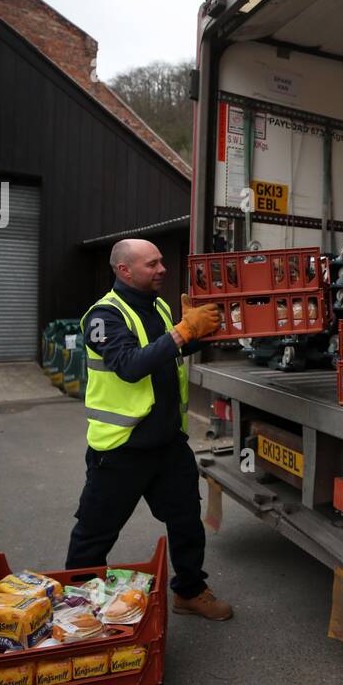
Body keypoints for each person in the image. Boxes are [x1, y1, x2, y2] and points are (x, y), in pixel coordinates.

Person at [65, 238, 232, 620]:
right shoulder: (102, 317)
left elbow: (166, 350)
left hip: (167, 443)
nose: (162, 269)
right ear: (124, 270)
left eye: (161, 262)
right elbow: (129, 364)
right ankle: (76, 609)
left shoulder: (156, 305)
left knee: (186, 520)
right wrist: (182, 333)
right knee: (95, 534)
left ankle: (189, 591)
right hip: (121, 448)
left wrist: (197, 333)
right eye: (152, 264)